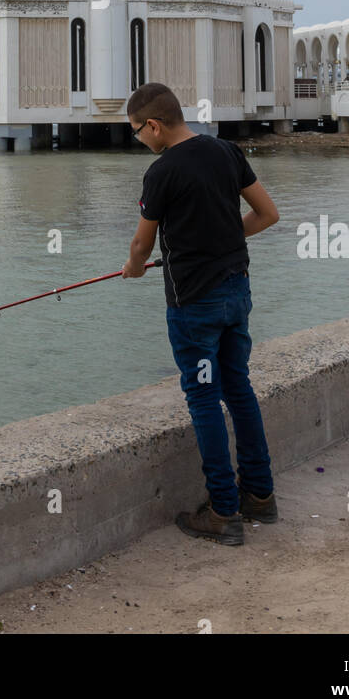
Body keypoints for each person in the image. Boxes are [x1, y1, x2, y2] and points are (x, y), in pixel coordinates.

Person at [123, 81, 280, 546]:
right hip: (237, 289)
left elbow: (141, 244)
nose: (139, 140)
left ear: (153, 124)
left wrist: (133, 269)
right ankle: (260, 497)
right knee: (239, 387)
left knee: (204, 398)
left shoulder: (161, 171)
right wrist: (222, 240)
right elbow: (267, 214)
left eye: (136, 131)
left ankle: (223, 513)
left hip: (195, 302)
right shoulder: (226, 151)